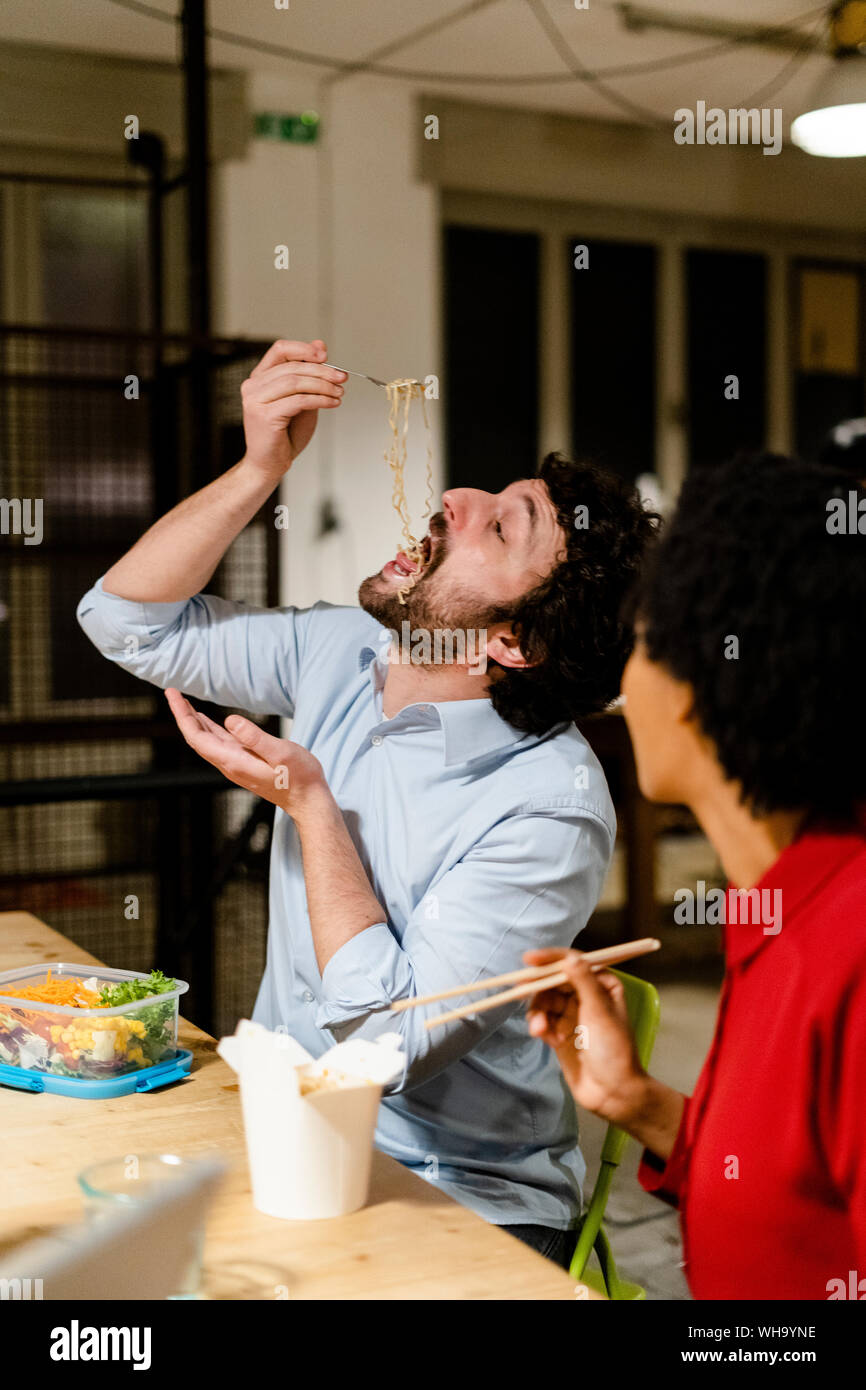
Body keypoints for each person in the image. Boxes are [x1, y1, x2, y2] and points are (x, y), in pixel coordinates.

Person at [77, 337, 655, 1268]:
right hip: (290, 1137)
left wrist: (311, 808)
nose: (456, 501)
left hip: (461, 1195)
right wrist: (263, 464)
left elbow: (385, 1041)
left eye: (501, 529)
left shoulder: (552, 805)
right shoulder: (350, 651)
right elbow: (123, 623)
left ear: (513, 644)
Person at [526, 452, 866, 1297]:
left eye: (639, 645)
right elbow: (797, 1203)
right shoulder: (778, 906)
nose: (623, 688)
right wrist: (640, 1104)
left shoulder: (852, 953)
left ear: (698, 685)